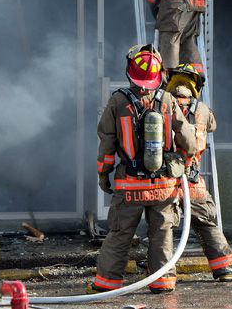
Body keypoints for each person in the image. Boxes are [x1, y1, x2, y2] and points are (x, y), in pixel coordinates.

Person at [91, 44, 197, 295]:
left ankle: (107, 283)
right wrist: (185, 165)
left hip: (130, 185)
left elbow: (107, 143)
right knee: (162, 233)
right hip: (164, 186)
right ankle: (162, 282)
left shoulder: (117, 102)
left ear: (130, 71)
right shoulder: (168, 100)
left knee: (120, 233)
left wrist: (103, 174)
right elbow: (188, 140)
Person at [166, 63, 232, 282]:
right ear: (195, 85)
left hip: (164, 179)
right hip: (192, 178)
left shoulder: (161, 103)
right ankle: (225, 268)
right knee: (206, 222)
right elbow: (212, 125)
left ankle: (162, 272)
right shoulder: (202, 109)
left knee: (161, 228)